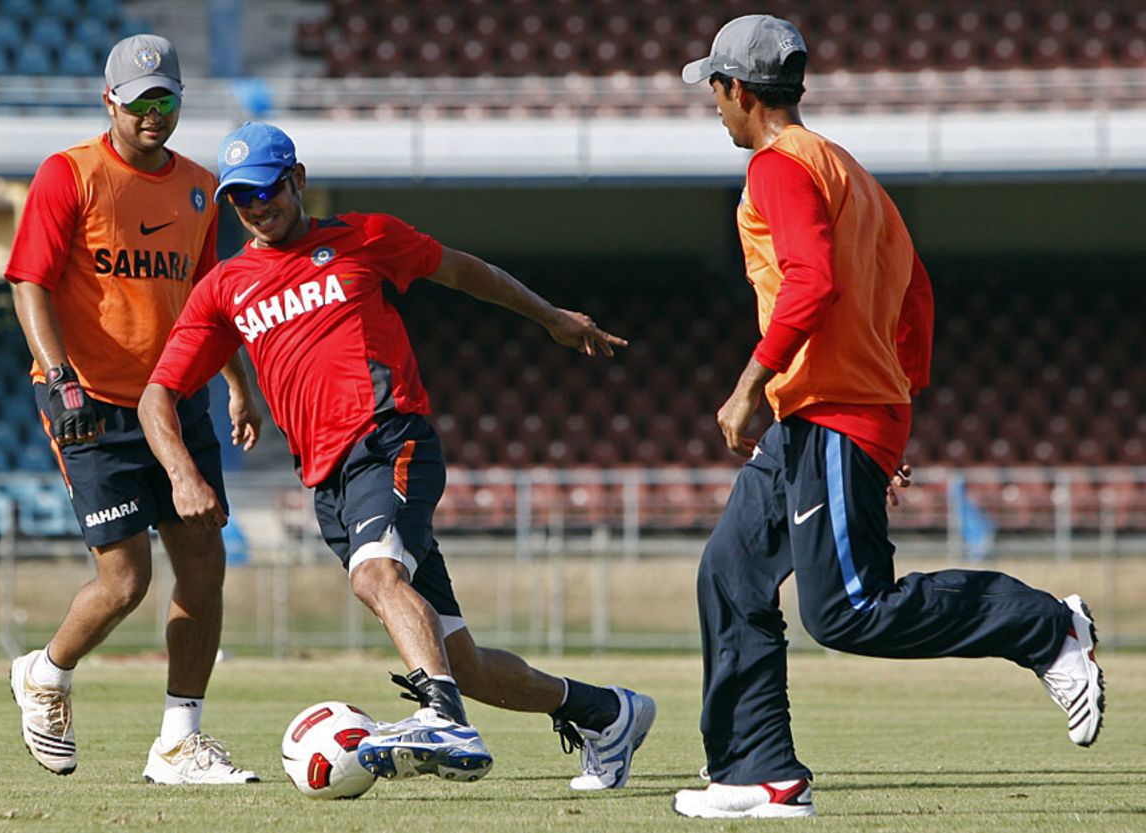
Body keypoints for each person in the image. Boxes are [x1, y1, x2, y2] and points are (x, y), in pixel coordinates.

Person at [671, 15, 1105, 819]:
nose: (714, 107)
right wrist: (897, 402)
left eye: (716, 91)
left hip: (831, 410)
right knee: (730, 571)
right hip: (829, 413)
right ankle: (756, 771)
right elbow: (917, 294)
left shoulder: (778, 168)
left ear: (740, 91)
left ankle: (1045, 627)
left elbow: (811, 284)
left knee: (848, 610)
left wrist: (745, 388)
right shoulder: (850, 170)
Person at [137, 121, 656, 789]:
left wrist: (550, 315)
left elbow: (469, 272)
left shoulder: (364, 236)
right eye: (241, 197)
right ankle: (608, 712)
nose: (256, 206)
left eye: (267, 189)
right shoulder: (224, 287)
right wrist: (182, 474)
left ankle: (441, 716)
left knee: (375, 576)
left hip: (390, 440)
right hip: (327, 482)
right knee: (460, 658)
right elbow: (158, 396)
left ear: (296, 179)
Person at [5, 34, 262, 785]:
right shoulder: (69, 174)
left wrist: (239, 384)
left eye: (167, 98)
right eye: (139, 99)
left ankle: (180, 742)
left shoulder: (200, 188)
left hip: (178, 400)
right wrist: (61, 378)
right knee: (125, 580)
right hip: (90, 402)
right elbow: (29, 283)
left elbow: (211, 302)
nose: (154, 112)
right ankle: (46, 672)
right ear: (109, 100)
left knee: (205, 563)